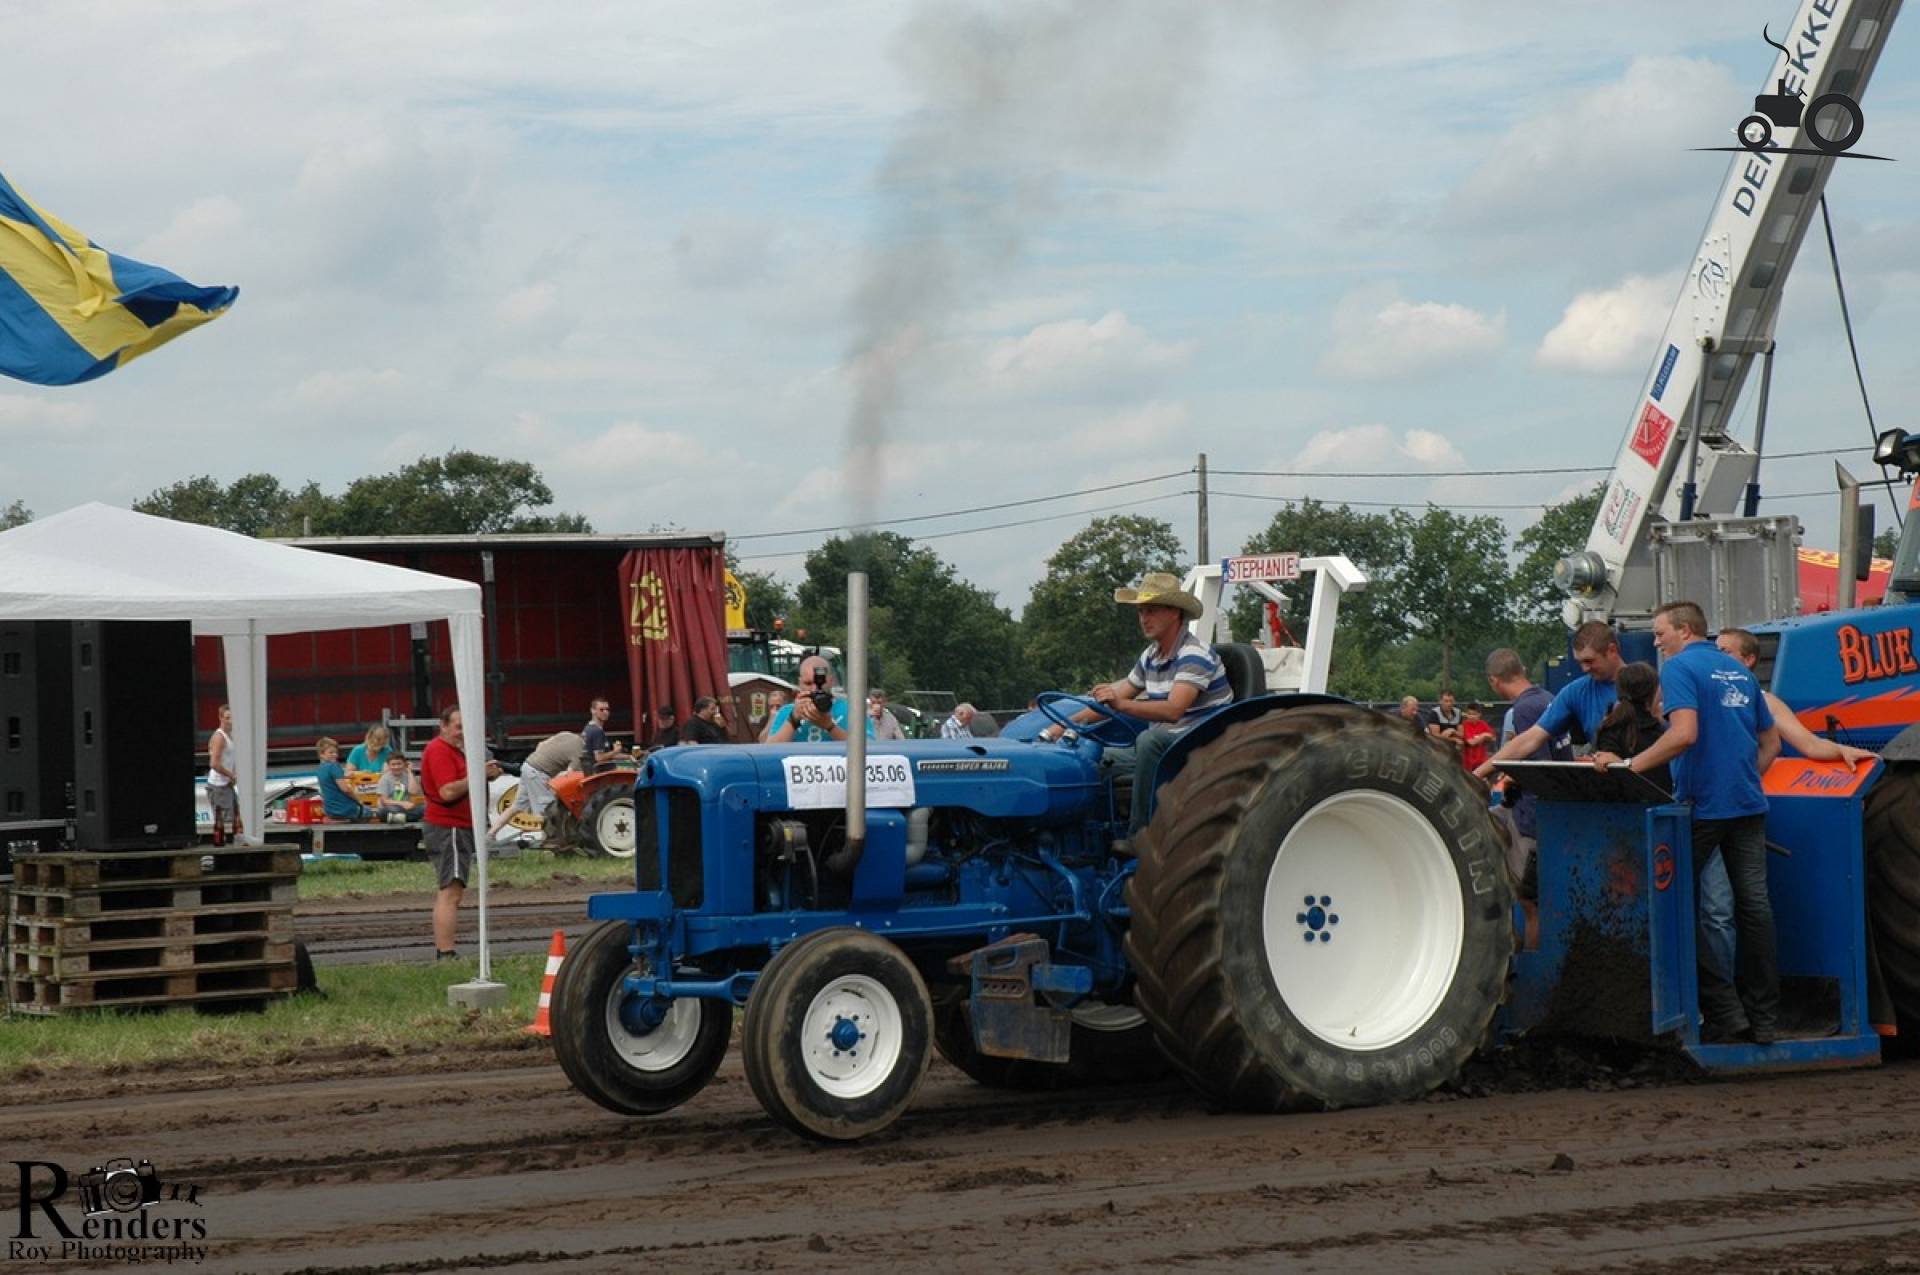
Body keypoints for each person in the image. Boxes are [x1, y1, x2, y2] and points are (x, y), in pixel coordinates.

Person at [1599, 601, 1782, 1044]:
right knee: (1754, 908)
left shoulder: (1680, 669)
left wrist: (1628, 766)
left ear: (1684, 630)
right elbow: (1771, 742)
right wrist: (1739, 777)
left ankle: (1724, 1009)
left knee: (1672, 903)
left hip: (1703, 807)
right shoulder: (1737, 670)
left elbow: (1684, 734)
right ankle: (1765, 1020)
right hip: (1747, 804)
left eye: (1660, 633)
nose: (1656, 641)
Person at [1039, 572, 1232, 843]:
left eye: (1151, 611)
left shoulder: (1195, 655)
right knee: (1092, 758)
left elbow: (1173, 710)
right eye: (1141, 612)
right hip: (1165, 744)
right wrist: (1063, 725)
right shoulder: (1151, 656)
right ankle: (1085, 840)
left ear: (1175, 613)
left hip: (1197, 745)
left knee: (1149, 739)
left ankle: (1140, 835)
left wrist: (1120, 703)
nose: (1143, 618)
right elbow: (1114, 699)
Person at [1475, 621, 1624, 778]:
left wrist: (1626, 765)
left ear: (1612, 650)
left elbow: (1653, 749)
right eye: (1580, 662)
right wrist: (1477, 775)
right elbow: (1530, 738)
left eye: (1589, 661)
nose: (1584, 669)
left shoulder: (1647, 686)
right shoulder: (1576, 692)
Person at [1480, 648, 1571, 898]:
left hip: (1532, 814)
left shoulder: (1524, 709)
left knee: (1529, 901)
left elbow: (1539, 766)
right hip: (1554, 807)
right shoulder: (1546, 697)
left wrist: (1507, 776)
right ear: (1523, 671)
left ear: (1493, 680)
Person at [1716, 629, 1877, 771]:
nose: (1715, 658)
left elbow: (1810, 745)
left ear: (1748, 660)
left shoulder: (1767, 702)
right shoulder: (1700, 691)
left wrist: (1843, 751)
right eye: (1714, 652)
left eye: (1724, 652)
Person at [421, 705, 501, 961]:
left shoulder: (454, 752)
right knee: (451, 890)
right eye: (458, 727)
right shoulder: (439, 750)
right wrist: (478, 775)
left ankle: (445, 950)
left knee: (453, 889)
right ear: (443, 726)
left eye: (467, 728)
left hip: (457, 827)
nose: (463, 733)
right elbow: (446, 791)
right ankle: (445, 952)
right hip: (449, 827)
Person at [1591, 662, 1672, 792]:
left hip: (1621, 805)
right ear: (1653, 692)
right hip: (1659, 804)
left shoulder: (1609, 728)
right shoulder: (1664, 733)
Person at [488, 729, 584, 836]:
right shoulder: (580, 751)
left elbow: (540, 744)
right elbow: (569, 775)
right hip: (539, 773)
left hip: (528, 765)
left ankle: (491, 834)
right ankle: (549, 839)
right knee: (549, 810)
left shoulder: (566, 734)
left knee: (516, 806)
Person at [765, 655, 874, 743]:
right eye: (808, 683)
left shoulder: (852, 711)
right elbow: (770, 750)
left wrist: (830, 726)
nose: (814, 689)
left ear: (831, 681)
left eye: (820, 683)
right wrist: (793, 720)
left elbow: (869, 750)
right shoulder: (787, 712)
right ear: (800, 683)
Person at [314, 737, 372, 822]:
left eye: (336, 752)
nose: (335, 755)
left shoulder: (320, 769)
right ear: (321, 754)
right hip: (344, 810)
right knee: (369, 811)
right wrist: (359, 800)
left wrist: (346, 776)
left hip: (329, 811)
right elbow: (345, 789)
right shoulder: (334, 766)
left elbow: (331, 780)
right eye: (331, 752)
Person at [206, 703, 241, 842]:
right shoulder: (219, 737)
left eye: (233, 717)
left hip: (227, 783)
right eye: (227, 718)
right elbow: (214, 763)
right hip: (218, 784)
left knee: (237, 817)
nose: (231, 721)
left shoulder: (231, 735)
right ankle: (221, 843)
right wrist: (231, 775)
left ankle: (237, 843)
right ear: (221, 718)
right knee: (223, 819)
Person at [375, 753, 425, 822]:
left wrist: (410, 772)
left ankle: (398, 818)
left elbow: (413, 792)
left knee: (425, 808)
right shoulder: (384, 778)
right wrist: (403, 803)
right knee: (387, 811)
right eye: (393, 764)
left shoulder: (408, 776)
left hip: (405, 809)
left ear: (404, 764)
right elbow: (384, 801)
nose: (396, 767)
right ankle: (408, 818)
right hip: (391, 808)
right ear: (389, 765)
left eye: (399, 764)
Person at [583, 697, 626, 770]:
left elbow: (605, 755)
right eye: (601, 710)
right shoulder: (596, 731)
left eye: (607, 709)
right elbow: (599, 758)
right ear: (593, 711)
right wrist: (615, 751)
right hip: (599, 772)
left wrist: (628, 757)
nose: (605, 712)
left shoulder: (588, 728)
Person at [1459, 703, 1495, 772]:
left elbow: (1493, 738)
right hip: (1468, 763)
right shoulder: (1464, 725)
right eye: (1469, 714)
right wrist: (1484, 736)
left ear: (1479, 714)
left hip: (1482, 761)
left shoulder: (1482, 724)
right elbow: (1471, 742)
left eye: (1474, 714)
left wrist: (1480, 738)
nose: (1471, 716)